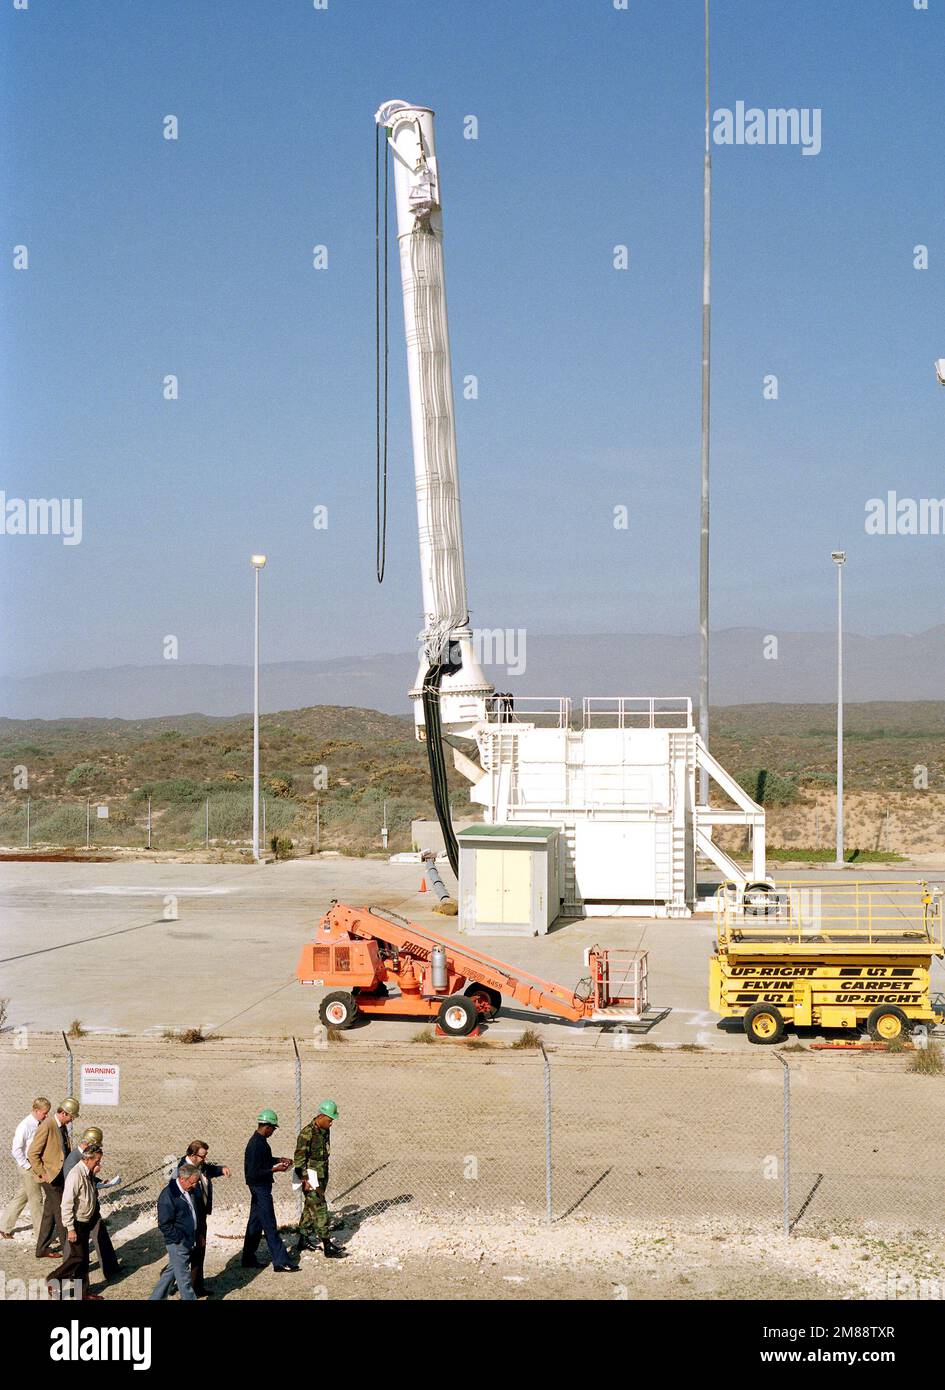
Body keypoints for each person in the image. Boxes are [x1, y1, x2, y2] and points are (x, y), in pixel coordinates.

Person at [240, 1110, 297, 1273]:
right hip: (260, 1188)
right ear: (267, 1126)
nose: (273, 1131)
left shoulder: (259, 1142)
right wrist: (275, 1169)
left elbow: (262, 1162)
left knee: (255, 1224)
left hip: (258, 1187)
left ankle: (248, 1258)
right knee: (270, 1225)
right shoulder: (257, 1144)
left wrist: (279, 1160)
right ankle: (281, 1262)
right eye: (273, 1128)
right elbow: (254, 1172)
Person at [63, 1126, 120, 1279]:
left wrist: (98, 1180)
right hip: (79, 1211)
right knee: (77, 1250)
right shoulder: (74, 1164)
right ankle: (63, 1276)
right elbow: (71, 1194)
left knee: (100, 1236)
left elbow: (88, 1180)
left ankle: (111, 1268)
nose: (99, 1163)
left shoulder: (88, 1161)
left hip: (90, 1207)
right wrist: (70, 1228)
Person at [49, 1143, 104, 1301]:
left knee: (83, 1259)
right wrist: (70, 1228)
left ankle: (83, 1293)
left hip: (86, 1221)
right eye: (97, 1161)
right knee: (77, 1257)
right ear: (87, 1159)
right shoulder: (76, 1174)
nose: (99, 1164)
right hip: (77, 1223)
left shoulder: (87, 1172)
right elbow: (66, 1204)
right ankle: (53, 1280)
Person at [28, 1097, 79, 1260]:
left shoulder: (61, 1126)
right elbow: (32, 1153)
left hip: (59, 1177)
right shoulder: (47, 1126)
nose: (72, 1120)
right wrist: (42, 1173)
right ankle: (69, 1253)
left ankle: (41, 1248)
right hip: (50, 1178)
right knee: (62, 1213)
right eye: (71, 1116)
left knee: (49, 1214)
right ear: (63, 1113)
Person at [293, 1099, 346, 1259]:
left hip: (321, 1174)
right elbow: (299, 1159)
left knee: (310, 1206)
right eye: (330, 1120)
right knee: (320, 1207)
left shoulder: (324, 1130)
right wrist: (305, 1179)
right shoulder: (307, 1133)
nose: (331, 1124)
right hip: (310, 1177)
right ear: (321, 1116)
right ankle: (327, 1244)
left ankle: (302, 1238)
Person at [178, 1139, 230, 1297]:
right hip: (189, 1220)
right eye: (202, 1156)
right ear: (192, 1155)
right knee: (186, 1253)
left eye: (205, 1156)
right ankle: (172, 1277)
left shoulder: (200, 1165)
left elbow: (209, 1170)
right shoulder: (181, 1171)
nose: (204, 1159)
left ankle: (196, 1286)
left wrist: (222, 1169)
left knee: (198, 1252)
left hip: (200, 1217)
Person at [148, 1162, 202, 1301]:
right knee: (184, 1280)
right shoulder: (168, 1196)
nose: (195, 1186)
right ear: (182, 1179)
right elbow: (164, 1224)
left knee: (170, 1273)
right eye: (192, 1182)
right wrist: (179, 1239)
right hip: (179, 1243)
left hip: (187, 1239)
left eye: (196, 1182)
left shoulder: (189, 1190)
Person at [0, 1097, 50, 1241]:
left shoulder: (39, 1123)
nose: (46, 1115)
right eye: (44, 1113)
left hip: (34, 1165)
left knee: (22, 1196)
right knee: (37, 1200)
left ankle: (4, 1226)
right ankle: (42, 1235)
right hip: (28, 1166)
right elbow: (16, 1150)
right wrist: (28, 1166)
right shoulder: (25, 1126)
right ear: (36, 1110)